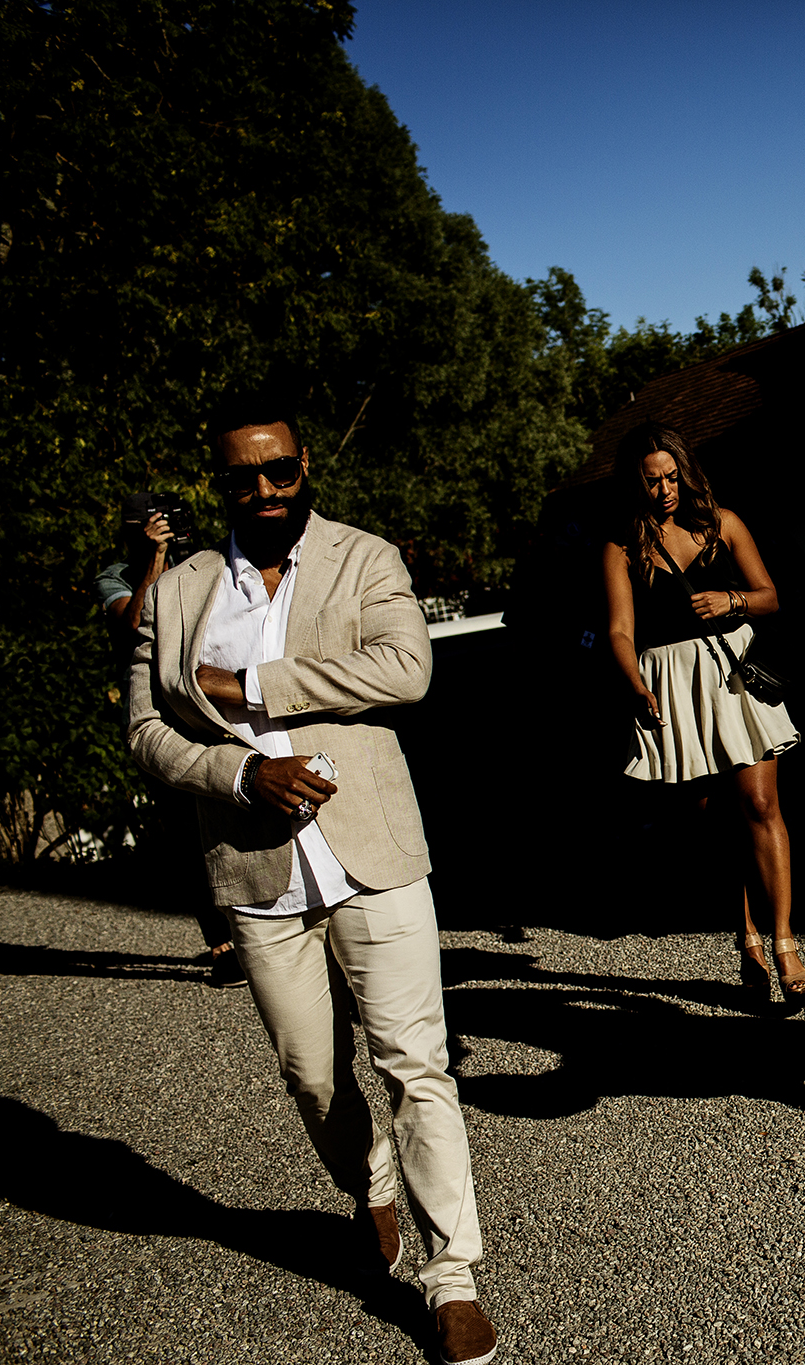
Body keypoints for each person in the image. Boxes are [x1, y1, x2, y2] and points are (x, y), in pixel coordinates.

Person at [126, 398, 500, 1365]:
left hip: (371, 848)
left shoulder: (365, 557)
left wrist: (254, 690)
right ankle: (369, 1177)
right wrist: (242, 770)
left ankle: (452, 1275)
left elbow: (407, 668)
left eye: (278, 471)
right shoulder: (174, 595)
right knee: (312, 1074)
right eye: (240, 477)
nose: (262, 491)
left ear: (304, 469)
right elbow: (146, 731)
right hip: (253, 866)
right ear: (220, 486)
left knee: (416, 1063)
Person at [602, 423, 805, 1004]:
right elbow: (619, 629)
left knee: (762, 804)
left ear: (684, 473)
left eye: (671, 477)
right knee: (713, 821)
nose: (664, 489)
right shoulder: (622, 548)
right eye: (651, 481)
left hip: (732, 673)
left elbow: (771, 595)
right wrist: (634, 682)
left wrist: (731, 600)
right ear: (634, 483)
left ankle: (785, 941)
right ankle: (745, 937)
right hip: (670, 685)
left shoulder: (723, 523)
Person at [95, 503, 244, 987]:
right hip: (158, 720)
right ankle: (221, 944)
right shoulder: (114, 577)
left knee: (240, 808)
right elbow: (134, 625)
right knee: (186, 834)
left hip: (209, 706)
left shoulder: (207, 563)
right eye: (154, 528)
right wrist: (155, 561)